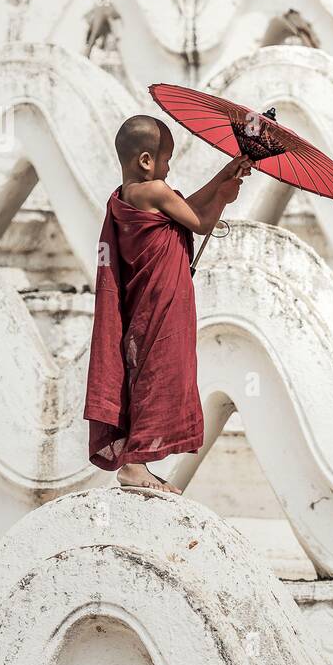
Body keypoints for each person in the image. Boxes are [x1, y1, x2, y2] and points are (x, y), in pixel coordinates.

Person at [84, 115, 251, 492]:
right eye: (166, 159)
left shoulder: (131, 194)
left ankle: (137, 459)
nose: (168, 167)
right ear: (146, 161)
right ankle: (135, 463)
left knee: (145, 371)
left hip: (149, 301)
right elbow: (199, 221)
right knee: (158, 372)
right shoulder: (154, 190)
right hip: (161, 303)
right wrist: (224, 196)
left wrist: (226, 173)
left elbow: (182, 206)